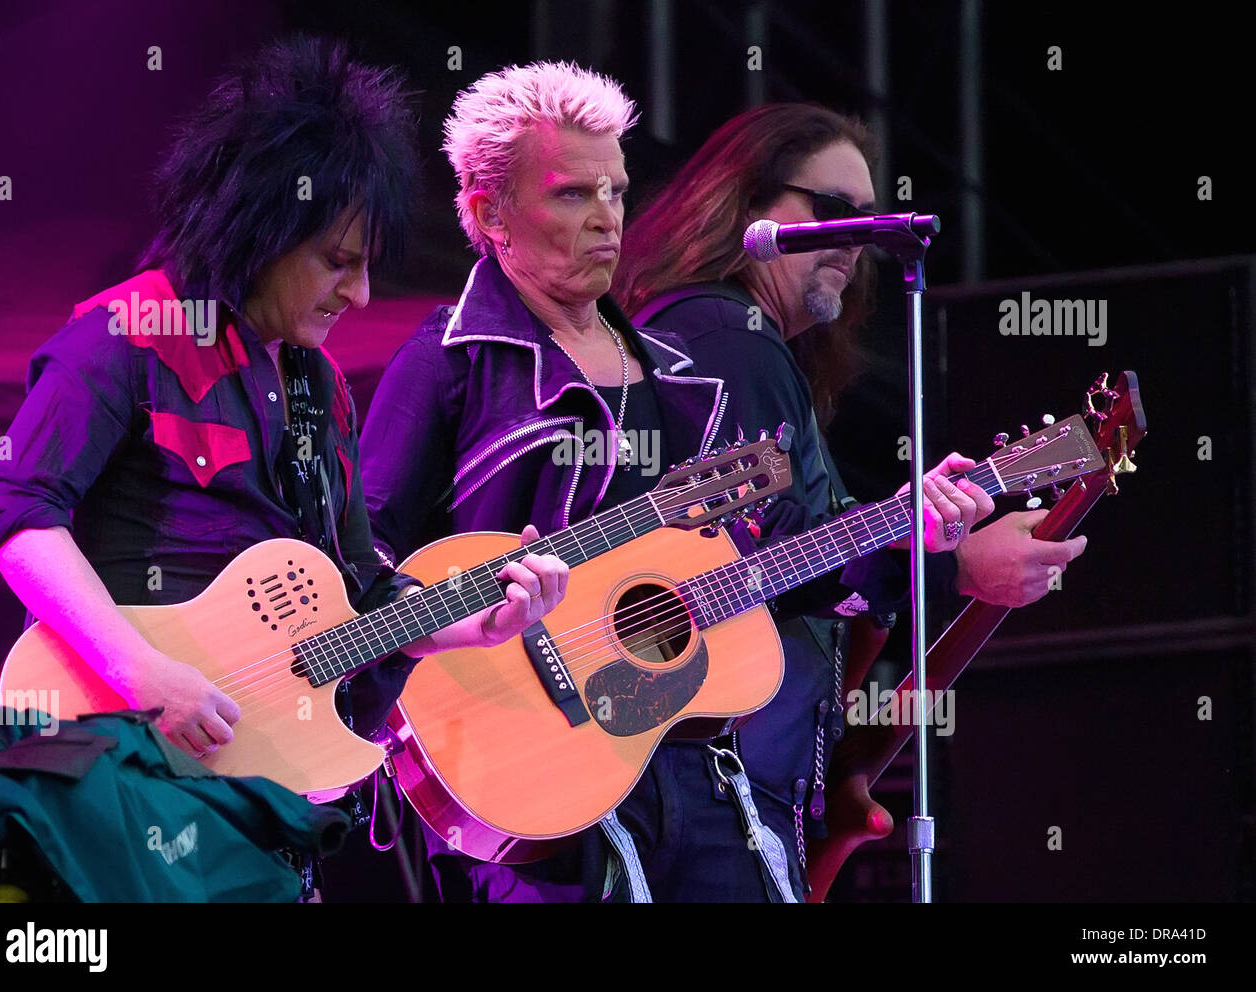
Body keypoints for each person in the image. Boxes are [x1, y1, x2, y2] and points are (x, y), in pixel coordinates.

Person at [360, 64, 990, 902]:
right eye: (572, 195)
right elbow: (362, 566)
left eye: (616, 192)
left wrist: (909, 537)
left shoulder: (675, 373)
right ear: (488, 214)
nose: (605, 219)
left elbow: (762, 568)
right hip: (529, 772)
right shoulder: (450, 361)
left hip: (690, 761)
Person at [0, 38, 567, 825]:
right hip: (122, 776)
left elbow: (362, 593)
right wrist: (143, 673)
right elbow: (12, 512)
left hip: (257, 798)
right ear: (260, 231)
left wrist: (477, 624)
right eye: (337, 262)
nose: (359, 294)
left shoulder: (320, 390)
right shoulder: (127, 335)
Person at [614, 102, 1088, 896]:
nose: (856, 241)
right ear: (748, 205)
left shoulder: (711, 336)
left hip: (704, 784)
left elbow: (769, 553)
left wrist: (906, 536)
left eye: (868, 222)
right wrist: (954, 566)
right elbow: (751, 555)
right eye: (832, 212)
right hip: (706, 796)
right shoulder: (730, 335)